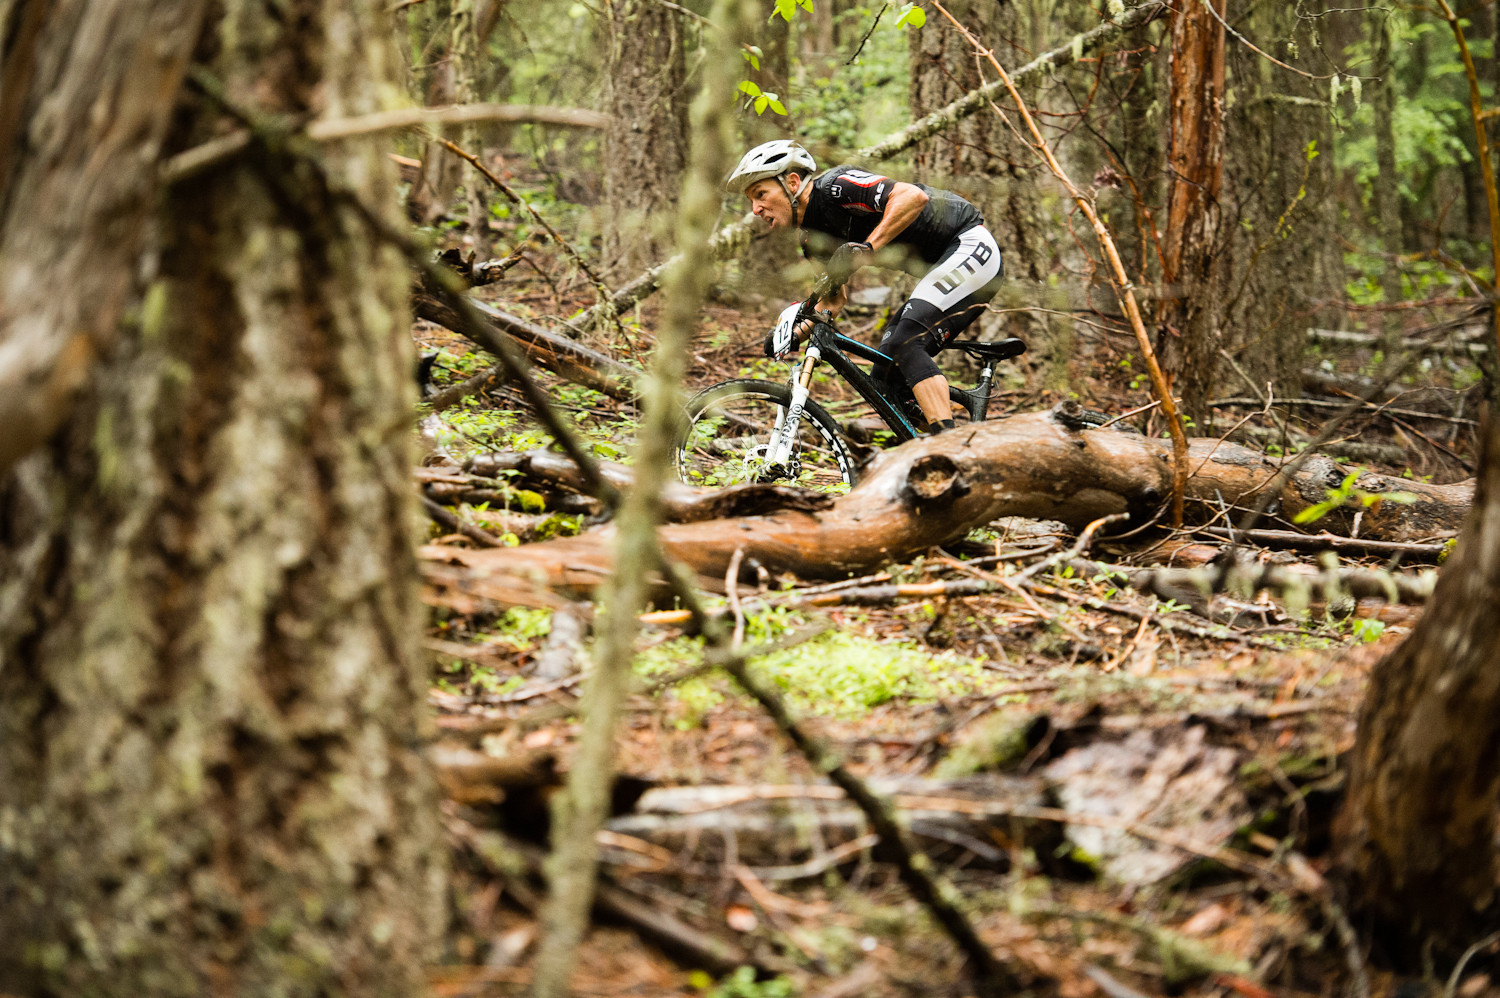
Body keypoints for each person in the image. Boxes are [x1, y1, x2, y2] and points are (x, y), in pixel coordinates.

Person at [725, 139, 1004, 433]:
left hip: (970, 243)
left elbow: (911, 197)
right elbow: (832, 301)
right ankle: (940, 446)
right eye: (751, 201)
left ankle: (953, 451)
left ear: (792, 182)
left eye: (760, 194)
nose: (755, 209)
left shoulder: (835, 186)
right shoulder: (810, 240)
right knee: (885, 384)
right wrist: (794, 332)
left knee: (905, 343)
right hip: (946, 263)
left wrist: (867, 248)